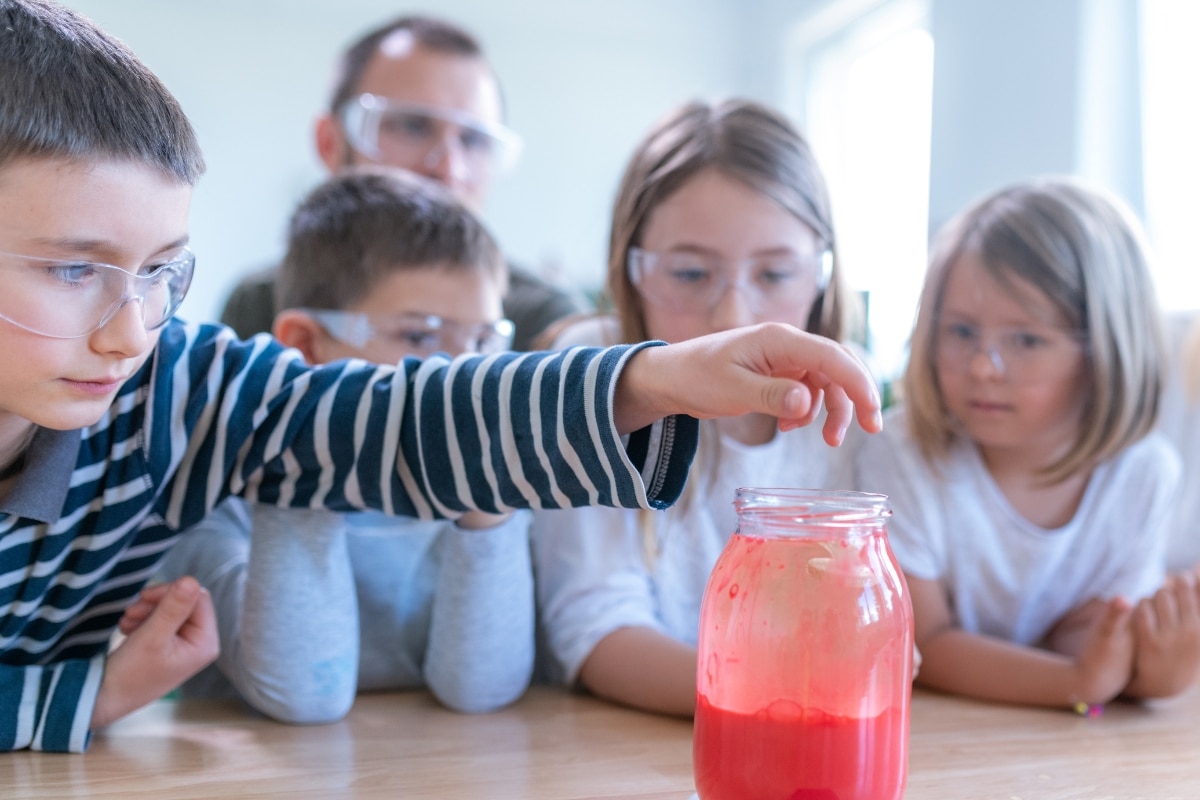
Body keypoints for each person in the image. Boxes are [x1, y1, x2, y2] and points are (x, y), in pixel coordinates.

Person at [0, 0, 881, 752]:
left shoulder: (181, 392)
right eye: (73, 271)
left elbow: (402, 415)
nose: (130, 334)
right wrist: (92, 699)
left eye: (160, 272)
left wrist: (660, 377)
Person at [150, 167, 536, 722]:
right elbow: (306, 696)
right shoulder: (218, 500)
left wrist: (485, 503)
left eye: (483, 341)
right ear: (306, 346)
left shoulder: (491, 495)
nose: (464, 376)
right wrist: (306, 442)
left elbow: (480, 690)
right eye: (420, 336)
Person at [529, 99, 863, 717]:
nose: (734, 318)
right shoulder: (587, 369)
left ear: (822, 275)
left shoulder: (844, 399)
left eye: (775, 274)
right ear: (632, 273)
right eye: (688, 273)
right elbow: (595, 628)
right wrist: (779, 692)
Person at [855, 177, 1200, 711]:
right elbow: (921, 642)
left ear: (1105, 351)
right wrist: (1078, 684)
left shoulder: (1145, 474)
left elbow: (1093, 634)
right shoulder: (904, 455)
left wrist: (1155, 669)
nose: (981, 369)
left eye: (1027, 340)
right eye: (962, 332)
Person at [220, 14, 583, 351]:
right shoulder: (258, 306)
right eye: (412, 126)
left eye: (473, 140)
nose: (449, 168)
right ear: (330, 142)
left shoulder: (547, 322)